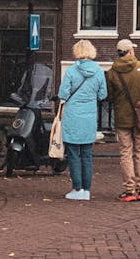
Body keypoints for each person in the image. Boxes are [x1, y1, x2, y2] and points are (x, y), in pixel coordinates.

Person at [106, 38, 140, 202]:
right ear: (130, 51)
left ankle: (129, 190)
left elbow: (110, 95)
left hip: (122, 116)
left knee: (125, 153)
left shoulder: (112, 72)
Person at [56, 39, 107, 201]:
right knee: (87, 154)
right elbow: (103, 95)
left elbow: (63, 94)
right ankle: (87, 190)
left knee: (73, 154)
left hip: (72, 116)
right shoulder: (99, 71)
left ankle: (77, 189)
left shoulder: (71, 71)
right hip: (89, 117)